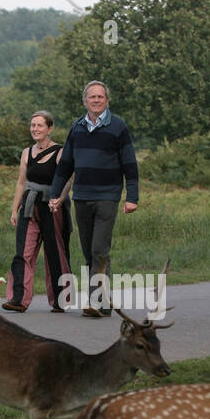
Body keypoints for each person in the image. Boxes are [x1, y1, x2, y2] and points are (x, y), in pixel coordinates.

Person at [49, 81, 138, 316]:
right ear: (85, 101)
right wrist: (55, 194)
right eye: (92, 97)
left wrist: (132, 196)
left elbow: (130, 163)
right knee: (90, 251)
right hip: (82, 197)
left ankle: (95, 301)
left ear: (107, 100)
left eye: (100, 97)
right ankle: (104, 301)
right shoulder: (77, 127)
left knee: (100, 249)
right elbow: (66, 164)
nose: (96, 100)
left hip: (108, 196)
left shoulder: (117, 127)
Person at [2, 112, 73, 313]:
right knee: (23, 251)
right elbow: (21, 182)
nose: (35, 129)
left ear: (49, 129)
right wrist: (14, 209)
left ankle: (60, 300)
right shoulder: (26, 153)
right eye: (32, 125)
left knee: (55, 253)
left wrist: (59, 199)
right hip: (29, 206)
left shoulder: (60, 151)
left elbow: (68, 179)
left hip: (51, 206)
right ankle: (18, 299)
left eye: (40, 125)